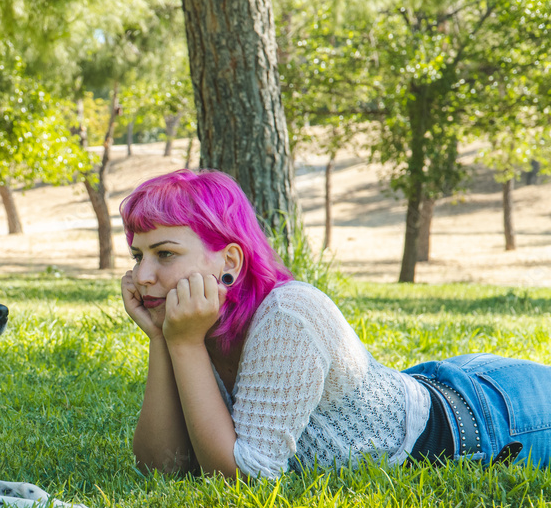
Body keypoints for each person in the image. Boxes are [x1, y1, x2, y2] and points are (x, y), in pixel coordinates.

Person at [120, 169, 551, 480]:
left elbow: (242, 481)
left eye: (166, 254)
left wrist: (185, 345)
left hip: (495, 416)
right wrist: (163, 338)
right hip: (428, 386)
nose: (142, 276)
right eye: (139, 256)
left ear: (229, 261)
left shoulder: (288, 314)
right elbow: (161, 468)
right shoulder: (195, 325)